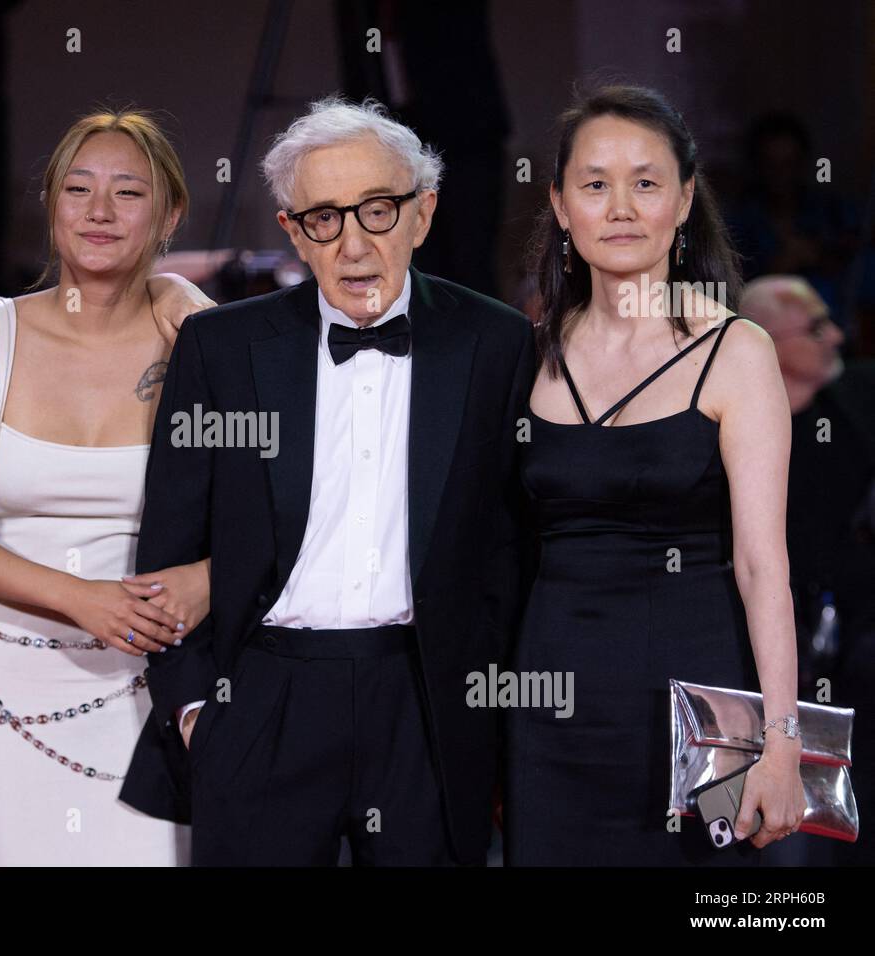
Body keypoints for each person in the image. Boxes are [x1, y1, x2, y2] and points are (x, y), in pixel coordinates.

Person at [117, 96, 534, 866]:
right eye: (322, 220)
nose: (351, 245)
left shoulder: (496, 342)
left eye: (377, 211)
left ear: (423, 213)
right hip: (261, 696)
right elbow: (168, 549)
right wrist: (195, 710)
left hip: (427, 703)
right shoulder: (221, 346)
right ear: (292, 233)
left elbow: (510, 550)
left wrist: (491, 708)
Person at [504, 86, 806, 866]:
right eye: (595, 184)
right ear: (561, 205)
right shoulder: (527, 354)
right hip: (550, 711)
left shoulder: (735, 351)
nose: (621, 206)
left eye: (646, 181)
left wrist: (782, 742)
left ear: (685, 198)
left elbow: (762, 565)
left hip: (698, 710)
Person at [0, 109, 213, 866]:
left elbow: (275, 508)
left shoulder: (199, 337)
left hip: (154, 681)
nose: (99, 212)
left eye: (127, 193)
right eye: (77, 189)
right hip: (10, 683)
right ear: (50, 206)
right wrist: (80, 597)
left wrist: (208, 579)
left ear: (170, 213)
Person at [743, 275, 875, 866]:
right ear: (768, 341)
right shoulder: (729, 435)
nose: (837, 336)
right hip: (760, 684)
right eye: (816, 327)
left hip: (849, 669)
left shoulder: (851, 425)